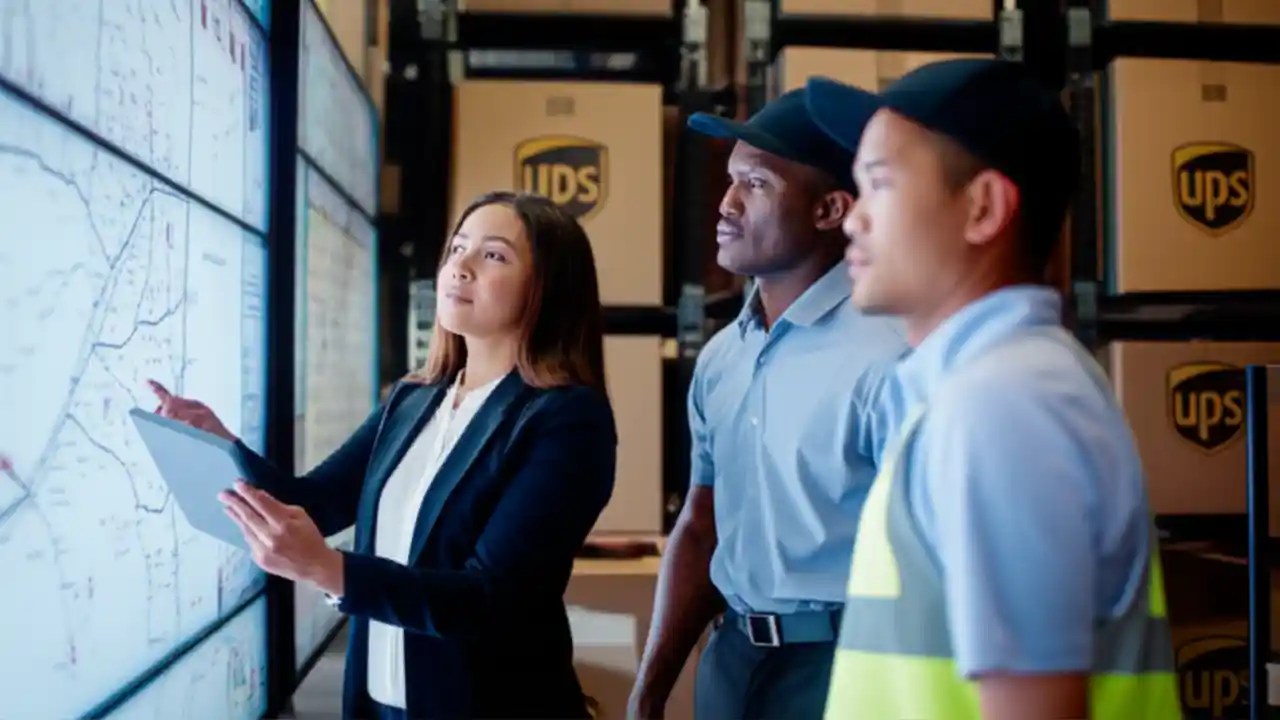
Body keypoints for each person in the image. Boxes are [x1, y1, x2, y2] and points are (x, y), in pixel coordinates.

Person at [804, 59, 1181, 719]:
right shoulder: (986, 390)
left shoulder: (1003, 405)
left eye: (880, 184)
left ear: (983, 207)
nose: (852, 221)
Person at [150, 191, 618, 720]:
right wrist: (220, 445)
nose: (460, 267)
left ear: (548, 289)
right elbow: (317, 502)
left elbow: (489, 600)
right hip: (381, 706)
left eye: (493, 256)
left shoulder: (567, 420)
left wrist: (330, 572)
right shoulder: (414, 399)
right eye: (457, 248)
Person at [628, 88, 908, 720]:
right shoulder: (724, 357)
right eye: (730, 180)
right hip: (732, 662)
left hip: (846, 667)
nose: (726, 205)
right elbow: (701, 526)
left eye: (756, 183)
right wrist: (651, 688)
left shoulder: (891, 353)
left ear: (831, 208)